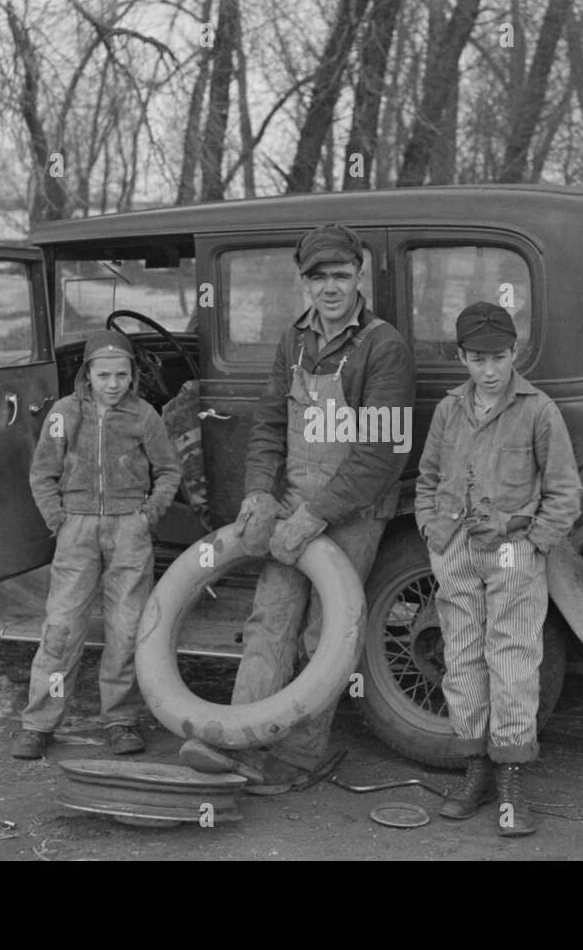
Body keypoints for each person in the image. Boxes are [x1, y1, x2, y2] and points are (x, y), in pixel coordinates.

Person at [179, 223, 416, 793]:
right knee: (269, 620)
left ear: (359, 276)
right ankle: (236, 743)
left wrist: (317, 515)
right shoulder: (294, 340)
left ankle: (298, 756)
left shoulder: (385, 347)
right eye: (318, 278)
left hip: (354, 512)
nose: (330, 288)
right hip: (291, 503)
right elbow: (268, 423)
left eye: (340, 275)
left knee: (323, 633)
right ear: (304, 281)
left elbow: (383, 452)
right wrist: (260, 493)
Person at [415, 302, 582, 836]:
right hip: (454, 549)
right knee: (461, 655)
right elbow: (426, 479)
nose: (491, 370)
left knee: (511, 658)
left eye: (501, 357)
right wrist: (431, 530)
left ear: (516, 353)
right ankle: (475, 769)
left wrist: (534, 543)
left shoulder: (538, 411)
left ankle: (511, 776)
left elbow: (564, 492)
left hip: (512, 553)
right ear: (462, 357)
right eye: (479, 358)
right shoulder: (448, 411)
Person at [12, 330, 183, 759]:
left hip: (129, 530)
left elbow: (168, 472)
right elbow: (42, 474)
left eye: (121, 374)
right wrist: (59, 520)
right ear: (87, 374)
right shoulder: (64, 413)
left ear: (132, 375)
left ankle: (120, 720)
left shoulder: (145, 416)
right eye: (103, 374)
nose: (112, 383)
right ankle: (39, 723)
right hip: (78, 531)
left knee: (126, 630)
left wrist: (147, 517)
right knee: (62, 629)